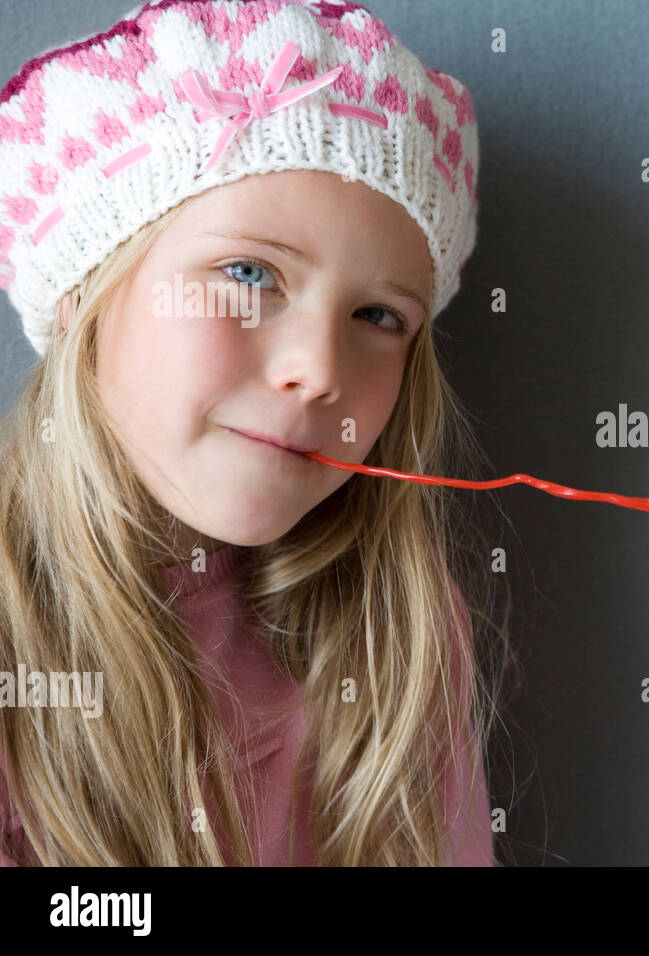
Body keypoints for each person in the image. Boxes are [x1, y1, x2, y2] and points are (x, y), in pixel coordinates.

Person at [0, 0, 499, 865]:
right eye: (247, 273)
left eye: (378, 315)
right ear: (81, 299)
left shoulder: (395, 632)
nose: (319, 368)